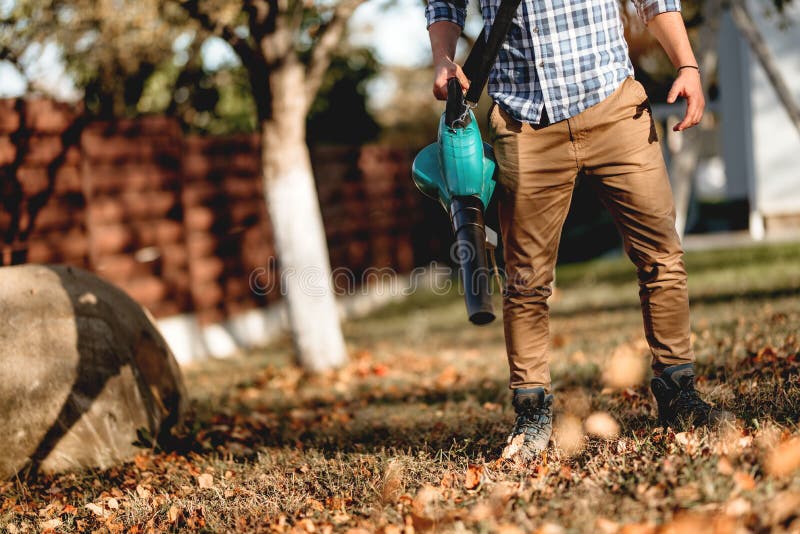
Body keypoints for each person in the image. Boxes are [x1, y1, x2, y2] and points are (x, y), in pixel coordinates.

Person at [425, 0, 735, 459]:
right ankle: (532, 414)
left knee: (661, 255)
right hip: (524, 123)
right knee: (525, 279)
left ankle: (678, 390)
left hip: (614, 109)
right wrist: (444, 60)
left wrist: (686, 64)